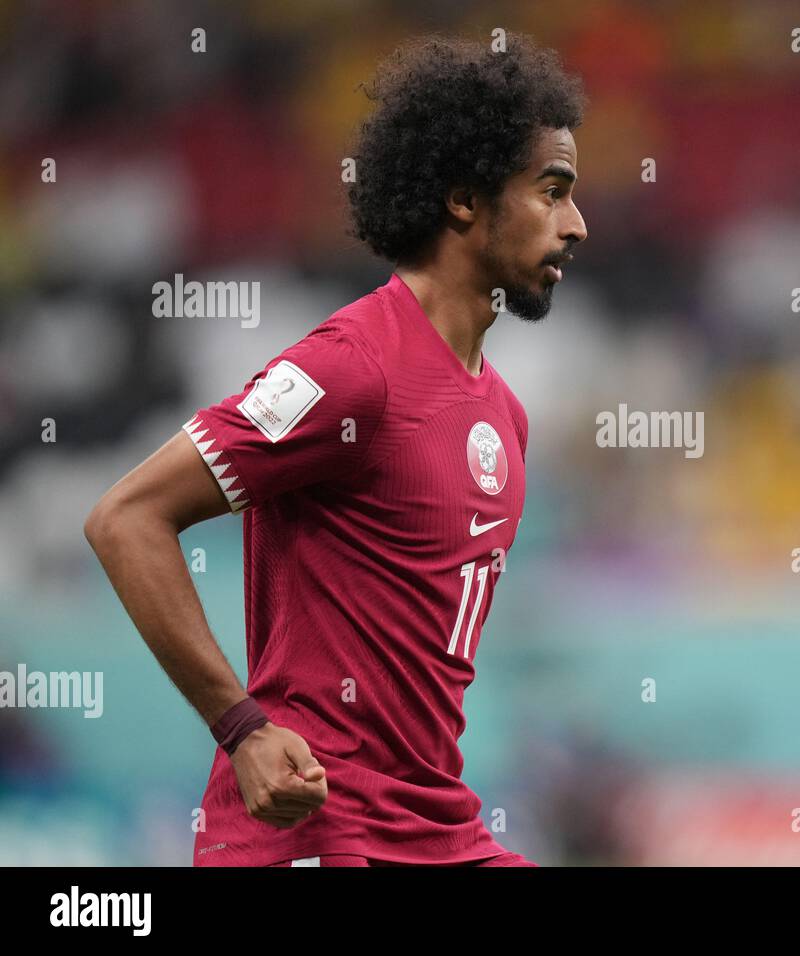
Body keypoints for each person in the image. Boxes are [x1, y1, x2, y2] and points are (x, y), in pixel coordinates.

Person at [84, 32, 588, 867]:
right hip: (315, 829)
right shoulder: (352, 371)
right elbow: (125, 517)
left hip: (435, 827)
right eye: (553, 191)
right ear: (464, 200)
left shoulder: (504, 415)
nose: (577, 224)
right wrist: (241, 726)